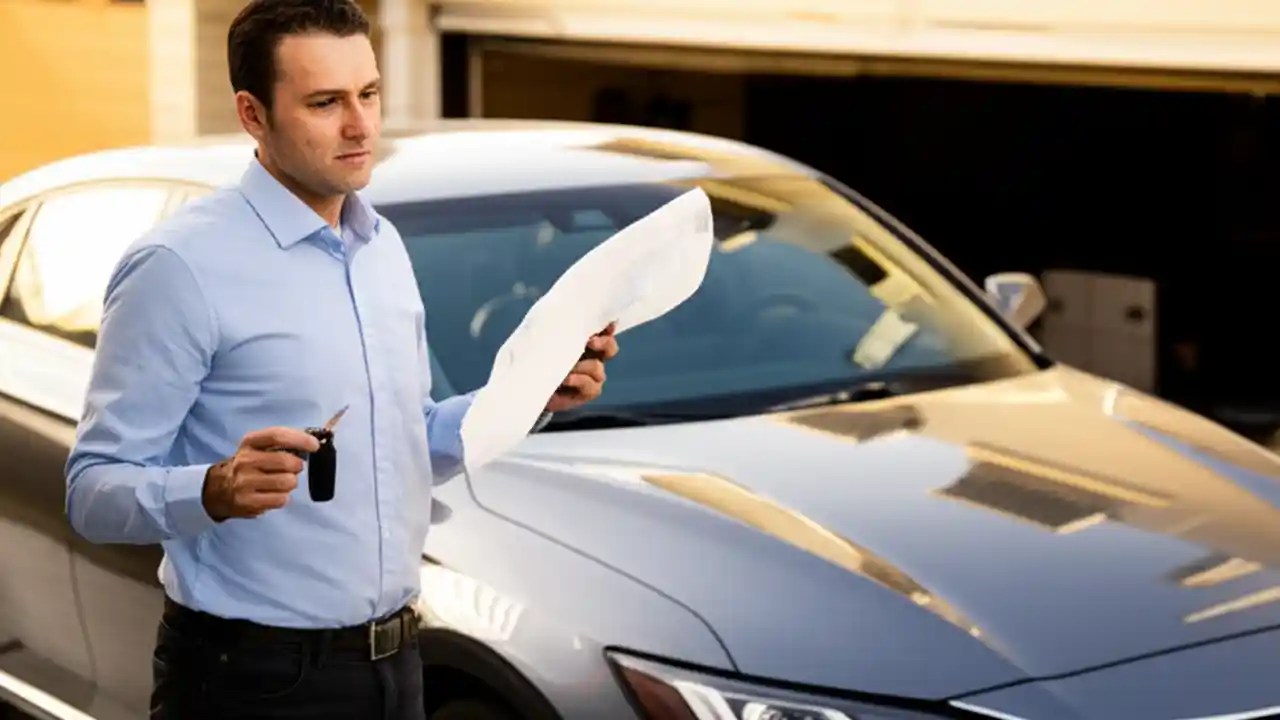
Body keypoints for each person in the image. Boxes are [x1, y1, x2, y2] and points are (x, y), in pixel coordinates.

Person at [62, 1, 618, 718]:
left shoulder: (380, 244)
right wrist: (212, 489)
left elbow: (406, 440)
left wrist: (533, 393)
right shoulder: (179, 266)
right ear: (252, 114)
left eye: (370, 93)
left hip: (397, 667)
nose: (361, 126)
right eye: (325, 102)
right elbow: (92, 490)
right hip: (251, 682)